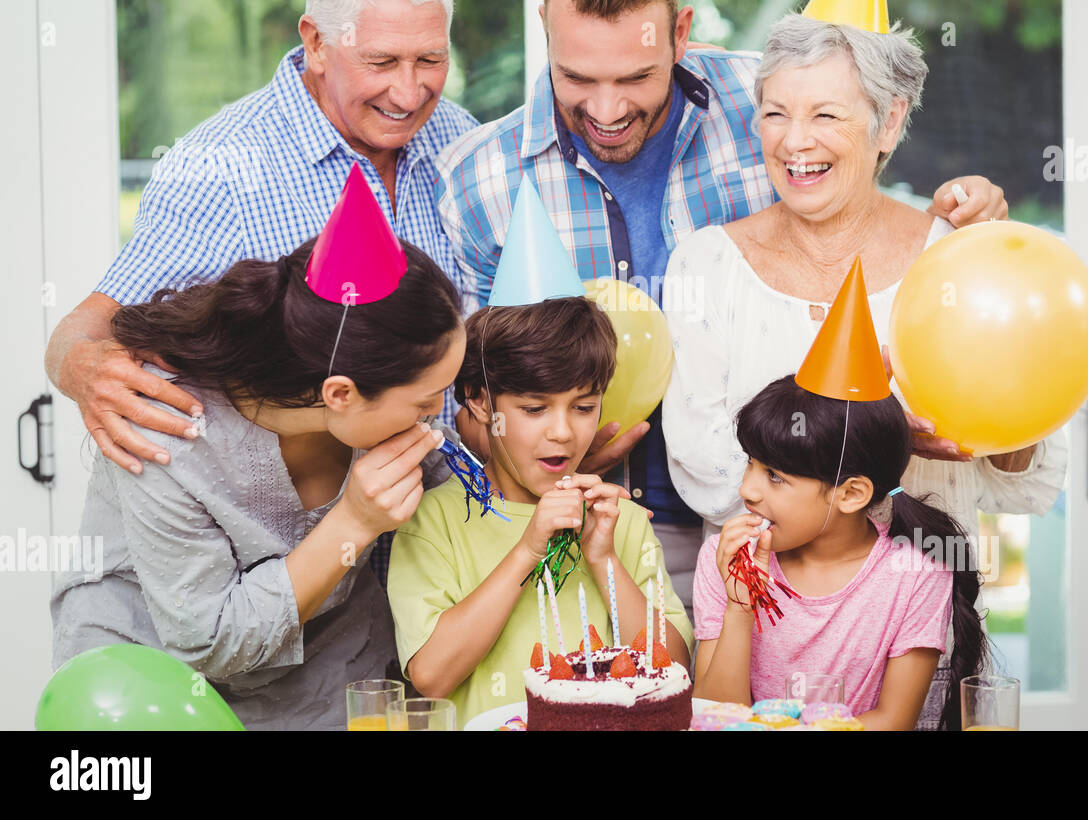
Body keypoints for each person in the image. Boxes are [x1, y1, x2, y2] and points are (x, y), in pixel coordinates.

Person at [435, 0, 1007, 618]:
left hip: (731, 537)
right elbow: (459, 401)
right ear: (543, 24)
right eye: (576, 76)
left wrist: (971, 212)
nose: (606, 110)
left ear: (681, 35)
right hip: (567, 534)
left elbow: (858, 145)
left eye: (636, 76)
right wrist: (538, 452)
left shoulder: (763, 103)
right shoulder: (478, 180)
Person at [661, 13, 1068, 728]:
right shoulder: (706, 265)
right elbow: (705, 471)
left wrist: (983, 430)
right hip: (759, 645)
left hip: (913, 649)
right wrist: (888, 441)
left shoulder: (955, 256)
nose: (795, 141)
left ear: (889, 122)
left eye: (825, 114)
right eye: (775, 114)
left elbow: (1030, 474)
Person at [45, 0, 474, 481]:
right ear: (317, 43)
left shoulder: (460, 139)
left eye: (430, 59)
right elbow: (90, 324)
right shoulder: (219, 166)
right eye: (382, 61)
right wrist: (81, 365)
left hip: (450, 525)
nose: (409, 91)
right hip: (296, 546)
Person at [49, 233, 467, 730]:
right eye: (426, 402)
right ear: (340, 393)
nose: (438, 418)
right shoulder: (169, 433)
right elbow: (209, 639)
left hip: (325, 677)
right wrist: (354, 522)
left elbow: (470, 485)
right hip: (154, 686)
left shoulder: (363, 408)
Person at [386, 297, 692, 726]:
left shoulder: (618, 519)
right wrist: (527, 551)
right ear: (479, 402)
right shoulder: (433, 521)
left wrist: (603, 560)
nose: (564, 432)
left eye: (584, 407)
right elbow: (432, 677)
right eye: (534, 409)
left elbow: (673, 670)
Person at [693, 375, 987, 730]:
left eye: (773, 475)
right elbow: (715, 717)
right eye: (750, 463)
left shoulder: (915, 576)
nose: (746, 489)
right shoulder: (723, 559)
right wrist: (740, 605)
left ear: (850, 494)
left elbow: (893, 722)